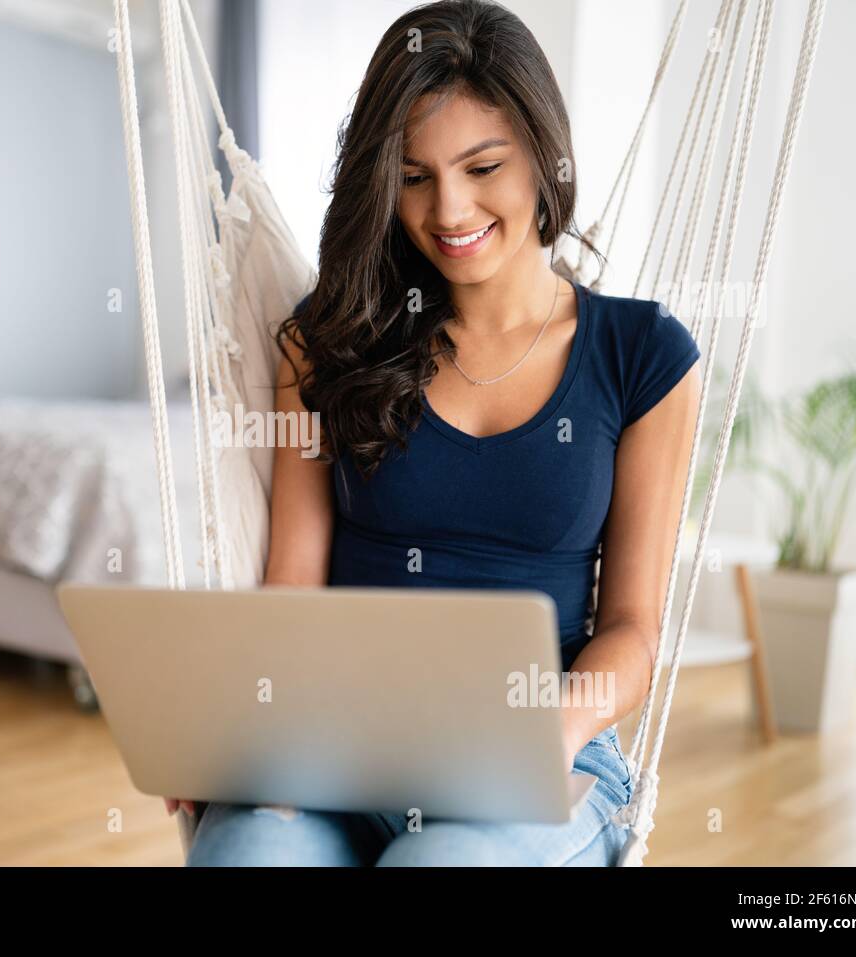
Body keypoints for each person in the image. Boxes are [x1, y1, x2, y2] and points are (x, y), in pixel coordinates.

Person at [171, 0, 701, 866]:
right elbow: (293, 588)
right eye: (414, 176)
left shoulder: (642, 356)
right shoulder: (326, 342)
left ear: (543, 153)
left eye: (481, 166)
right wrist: (238, 722)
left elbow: (634, 629)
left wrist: (540, 733)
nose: (448, 210)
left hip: (546, 756)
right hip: (337, 740)